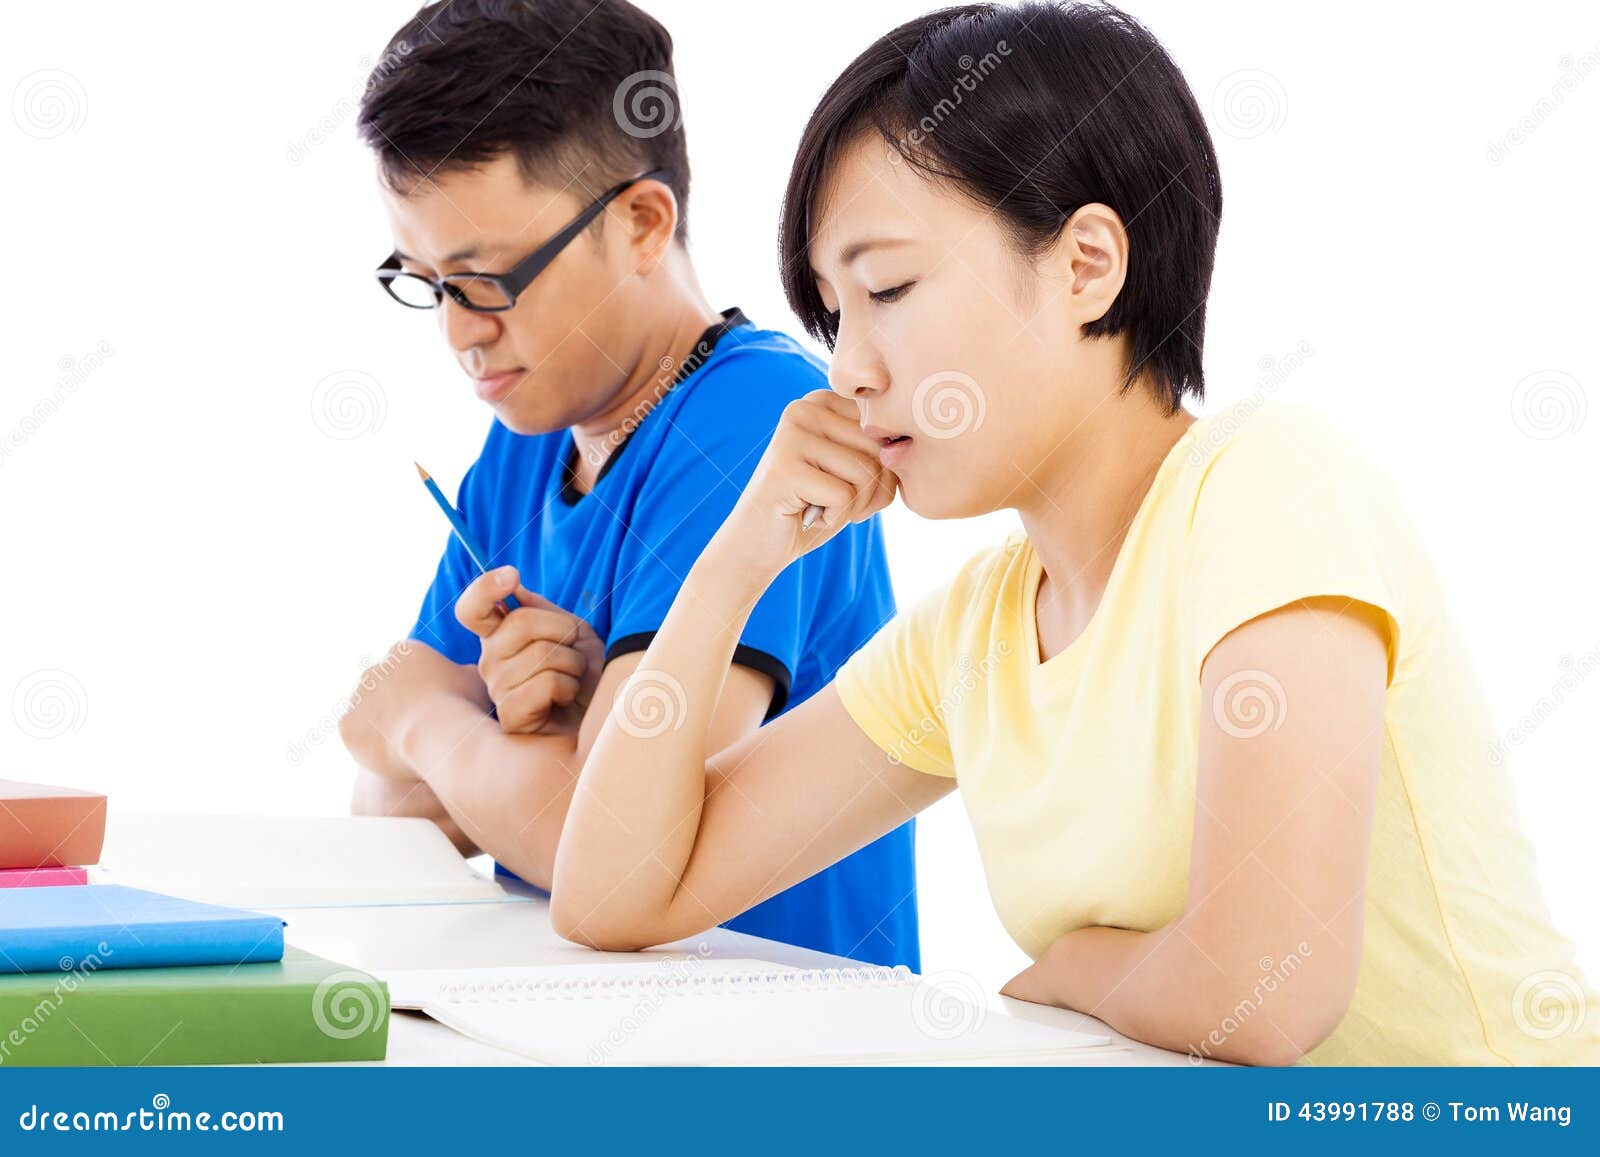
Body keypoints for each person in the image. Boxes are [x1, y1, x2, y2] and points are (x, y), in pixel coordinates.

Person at [548, 1, 1600, 1064]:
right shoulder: (971, 635)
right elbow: (611, 894)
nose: (849, 368)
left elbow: (1263, 993)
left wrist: (1075, 970)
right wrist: (737, 557)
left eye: (889, 287)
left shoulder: (1266, 485)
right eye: (832, 313)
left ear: (1086, 265)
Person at [337, 0, 919, 970]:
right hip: (566, 1022)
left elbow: (594, 845)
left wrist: (420, 712)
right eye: (428, 282)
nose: (459, 331)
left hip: (770, 1054)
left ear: (644, 222)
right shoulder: (526, 438)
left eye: (486, 279)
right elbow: (386, 821)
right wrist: (506, 747)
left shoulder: (756, 424)